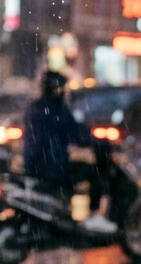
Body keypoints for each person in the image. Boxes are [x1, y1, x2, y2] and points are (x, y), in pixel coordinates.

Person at [22, 71, 116, 233]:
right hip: (52, 165)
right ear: (57, 88)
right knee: (99, 172)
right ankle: (94, 216)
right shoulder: (55, 109)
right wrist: (99, 142)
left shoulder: (36, 107)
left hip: (35, 164)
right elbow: (75, 131)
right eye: (62, 88)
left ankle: (66, 211)